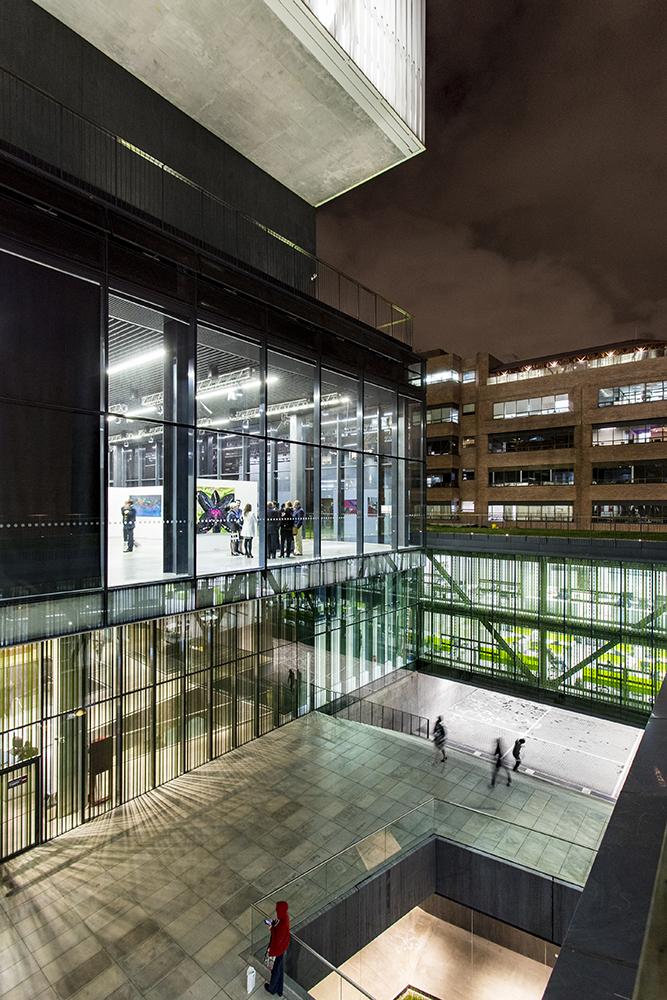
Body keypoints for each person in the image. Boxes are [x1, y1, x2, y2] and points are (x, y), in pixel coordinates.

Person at [265, 900, 290, 996]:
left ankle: (272, 989)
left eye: (276, 909)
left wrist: (271, 928)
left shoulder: (283, 923)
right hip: (283, 948)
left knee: (275, 971)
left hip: (278, 950)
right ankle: (279, 989)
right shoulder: (285, 918)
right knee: (279, 968)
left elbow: (277, 940)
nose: (275, 911)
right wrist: (274, 923)